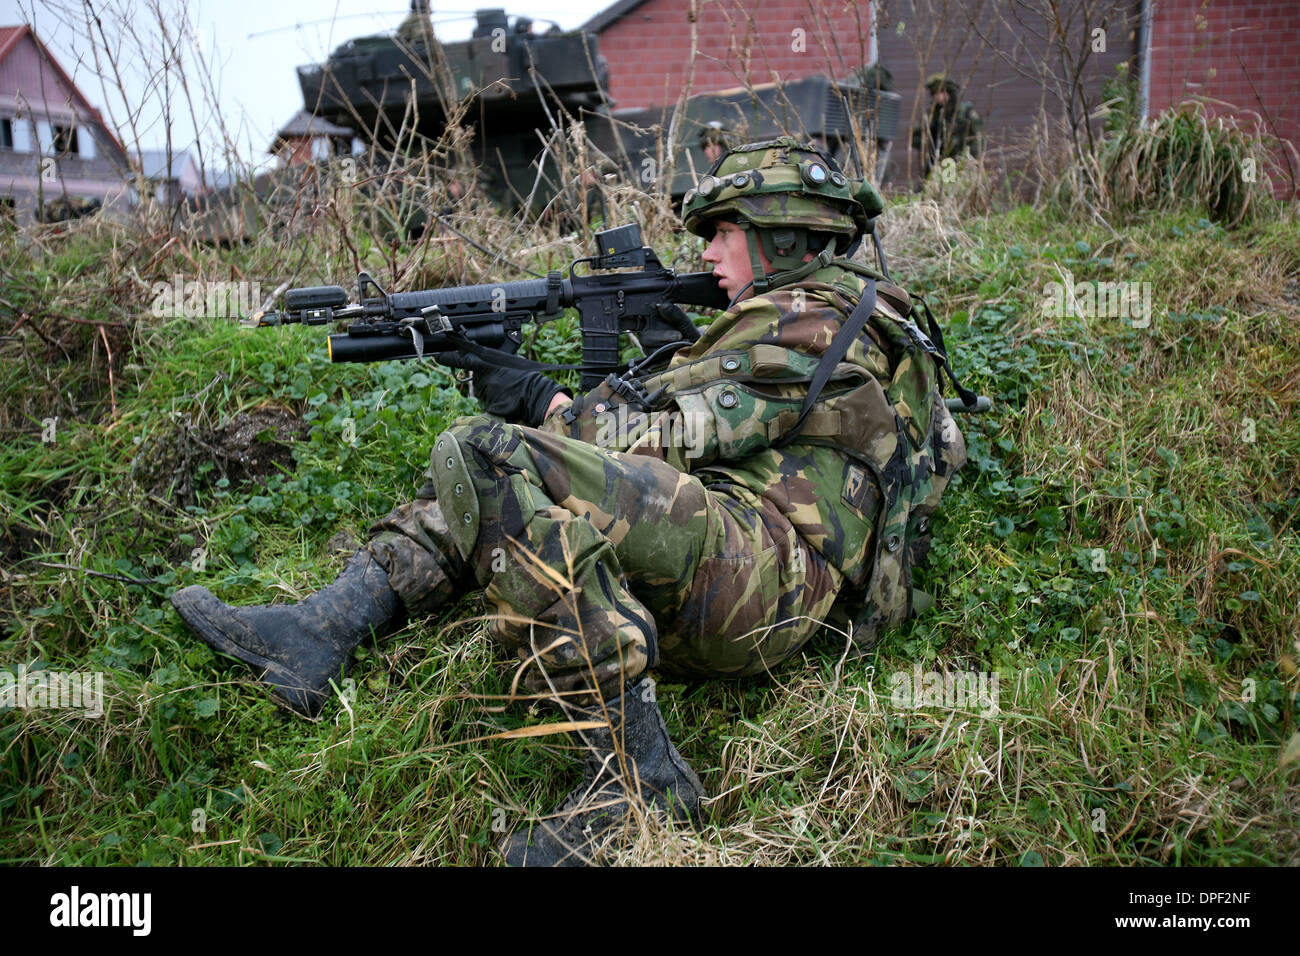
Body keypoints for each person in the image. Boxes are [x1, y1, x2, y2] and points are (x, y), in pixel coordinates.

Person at [170, 137, 968, 866]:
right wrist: (551, 410)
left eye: (723, 231)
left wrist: (548, 406)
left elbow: (659, 434)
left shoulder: (801, 321)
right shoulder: (868, 311)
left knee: (485, 452)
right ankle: (322, 629)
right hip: (773, 576)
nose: (706, 251)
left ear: (782, 238)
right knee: (500, 468)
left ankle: (637, 779)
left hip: (756, 580)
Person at [912, 74, 983, 179]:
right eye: (934, 94)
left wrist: (972, 160)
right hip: (939, 163)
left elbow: (977, 139)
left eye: (940, 93)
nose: (937, 97)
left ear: (949, 93)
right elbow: (915, 139)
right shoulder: (930, 116)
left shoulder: (965, 113)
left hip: (963, 161)